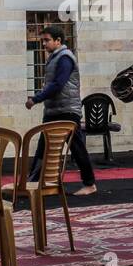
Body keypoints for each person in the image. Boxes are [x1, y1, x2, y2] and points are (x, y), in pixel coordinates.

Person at [24, 25, 97, 196]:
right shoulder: (54, 58)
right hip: (54, 111)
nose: (43, 44)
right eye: (43, 40)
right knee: (43, 147)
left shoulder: (65, 58)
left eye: (47, 40)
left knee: (77, 148)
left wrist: (35, 99)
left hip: (67, 112)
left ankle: (90, 184)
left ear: (58, 41)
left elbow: (58, 85)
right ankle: (32, 184)